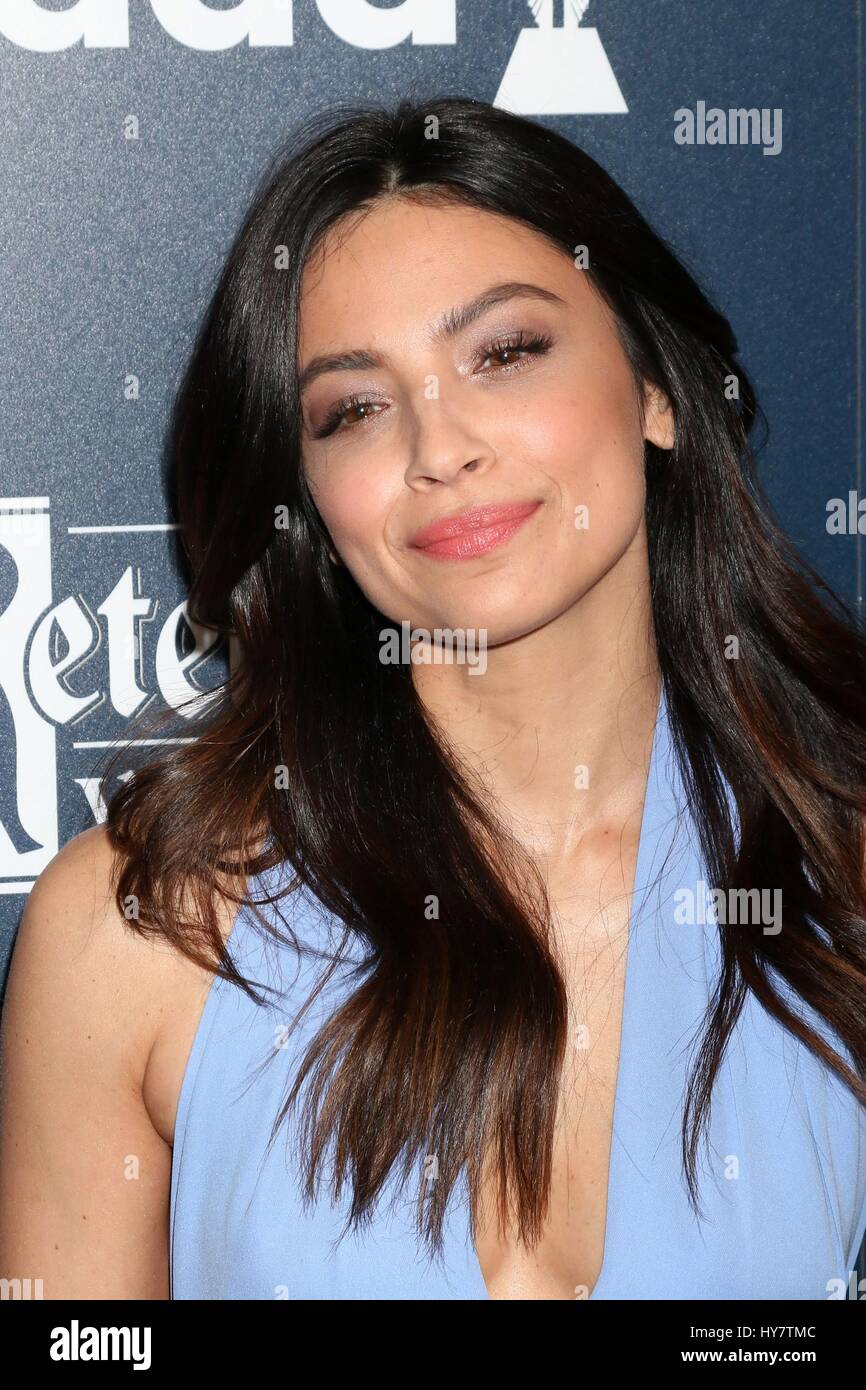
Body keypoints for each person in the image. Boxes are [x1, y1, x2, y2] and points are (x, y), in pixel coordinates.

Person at [2, 96, 866, 1301]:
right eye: (353, 407)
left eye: (504, 352)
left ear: (657, 388)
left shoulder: (838, 864)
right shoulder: (139, 933)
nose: (437, 443)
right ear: (305, 496)